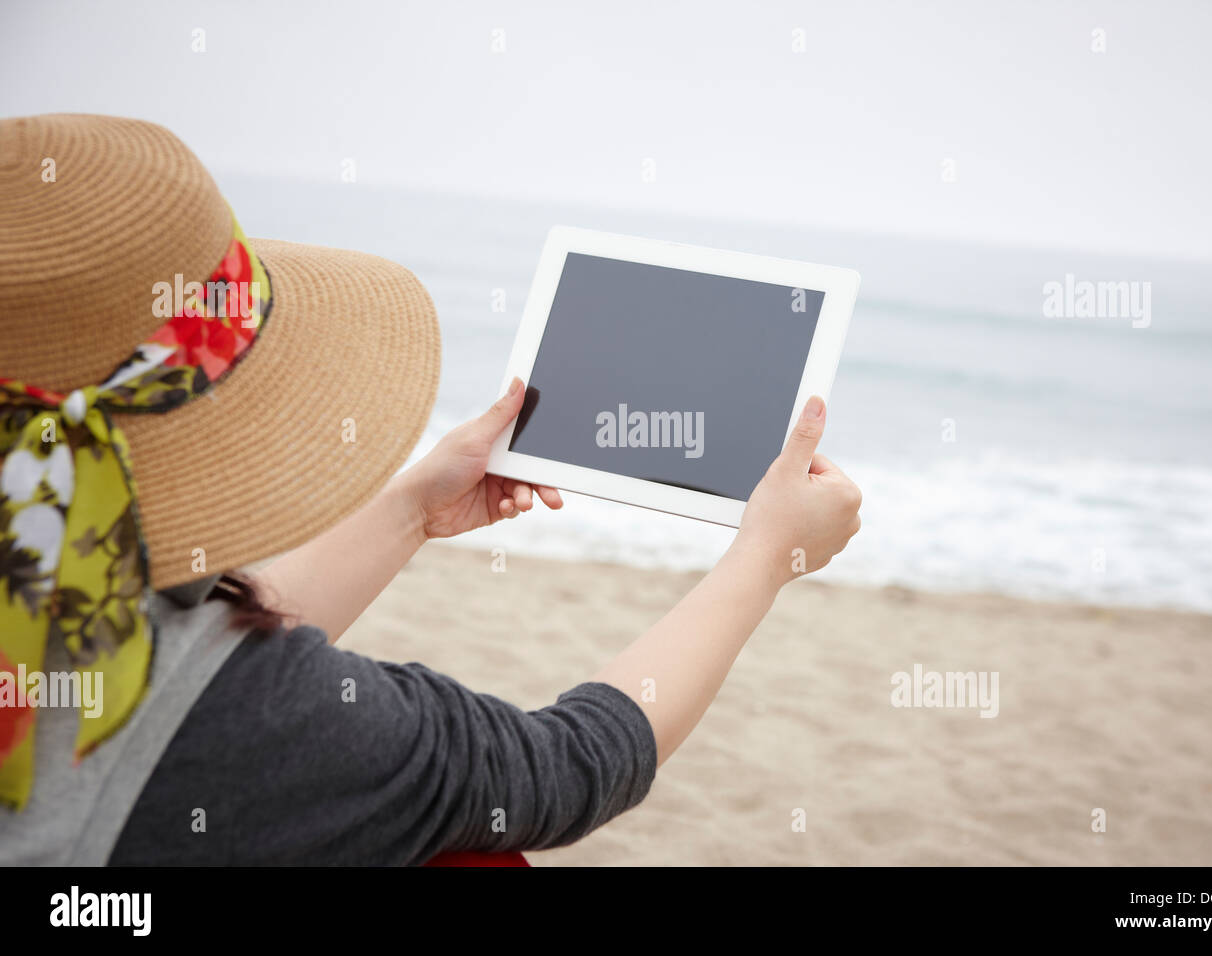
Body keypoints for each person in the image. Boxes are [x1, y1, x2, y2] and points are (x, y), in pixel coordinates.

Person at [0, 114, 861, 865]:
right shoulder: (278, 725)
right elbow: (566, 768)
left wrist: (413, 509)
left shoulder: (76, 616)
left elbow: (201, 662)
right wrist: (764, 557)